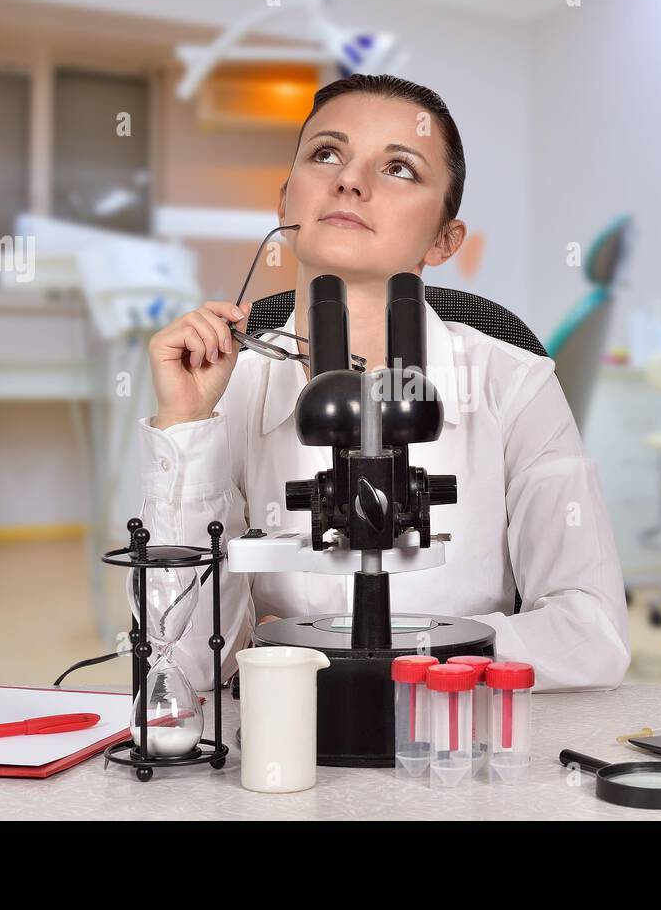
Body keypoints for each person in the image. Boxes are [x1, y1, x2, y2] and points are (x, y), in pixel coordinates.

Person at [140, 74, 629, 693]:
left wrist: (340, 651)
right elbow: (184, 665)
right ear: (285, 201)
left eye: (399, 168)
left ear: (445, 240)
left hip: (452, 751)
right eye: (326, 154)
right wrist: (186, 428)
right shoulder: (226, 393)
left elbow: (592, 637)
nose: (350, 180)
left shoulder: (514, 384)